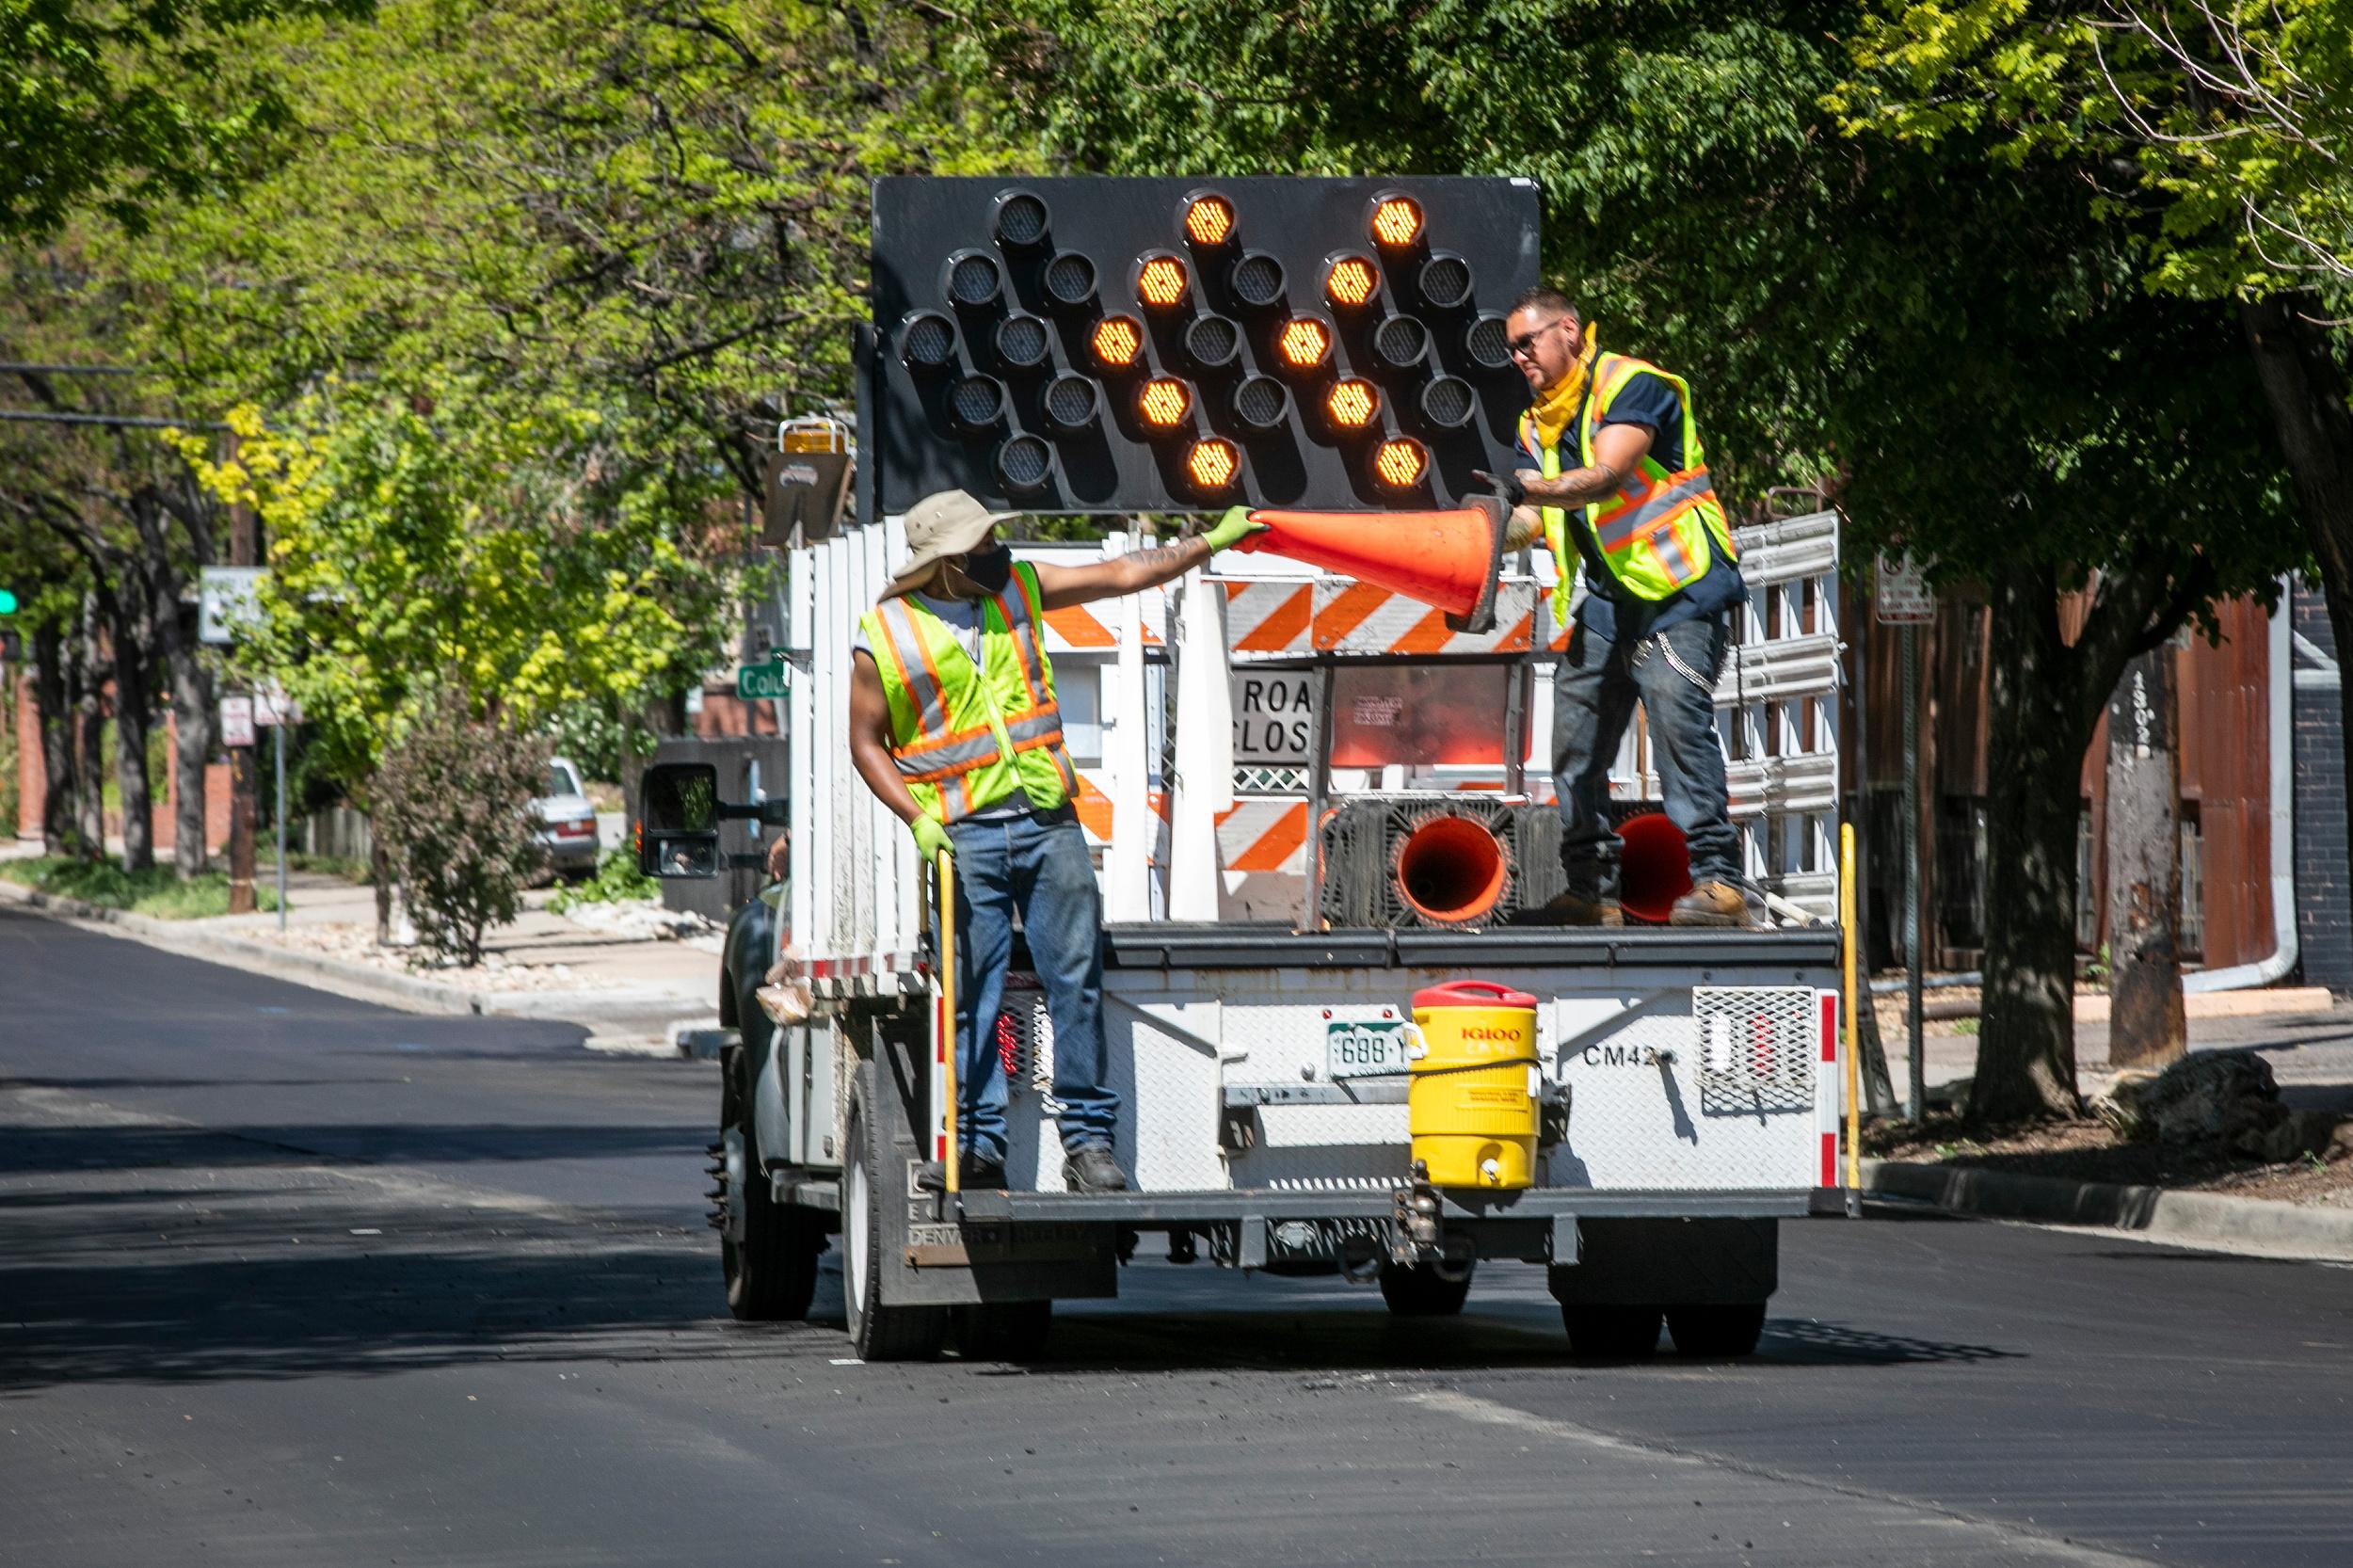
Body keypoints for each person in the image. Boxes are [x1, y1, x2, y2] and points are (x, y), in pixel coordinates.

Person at [847, 489, 1264, 1192]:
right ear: (946, 564)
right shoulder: (884, 636)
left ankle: (1088, 1145)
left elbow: (1127, 573)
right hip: (963, 834)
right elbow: (866, 744)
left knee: (1076, 982)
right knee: (971, 993)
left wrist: (1210, 544)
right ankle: (976, 1147)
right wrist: (917, 818)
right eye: (979, 546)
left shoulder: (1019, 589)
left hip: (1047, 822)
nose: (994, 554)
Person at [1480, 286, 1760, 927]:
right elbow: (1528, 515)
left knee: (1676, 723)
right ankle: (1590, 891)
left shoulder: (1634, 386)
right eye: (1512, 350)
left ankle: (1719, 885)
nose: (1520, 358)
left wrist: (1532, 489)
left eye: (1529, 343)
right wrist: (1490, 531)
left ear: (1569, 331)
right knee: (1575, 746)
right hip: (1610, 602)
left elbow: (1604, 476)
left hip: (1681, 591)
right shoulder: (1535, 421)